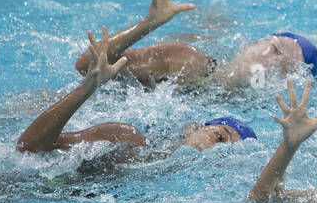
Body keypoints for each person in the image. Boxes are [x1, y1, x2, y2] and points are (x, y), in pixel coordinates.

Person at [17, 28, 257, 155]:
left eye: (227, 151)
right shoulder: (126, 138)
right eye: (219, 137)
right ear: (192, 128)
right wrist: (85, 90)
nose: (218, 150)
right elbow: (29, 149)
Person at [73, 0, 317, 88]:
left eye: (287, 69)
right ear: (251, 43)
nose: (275, 64)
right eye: (275, 50)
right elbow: (86, 66)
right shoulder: (183, 61)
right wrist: (146, 25)